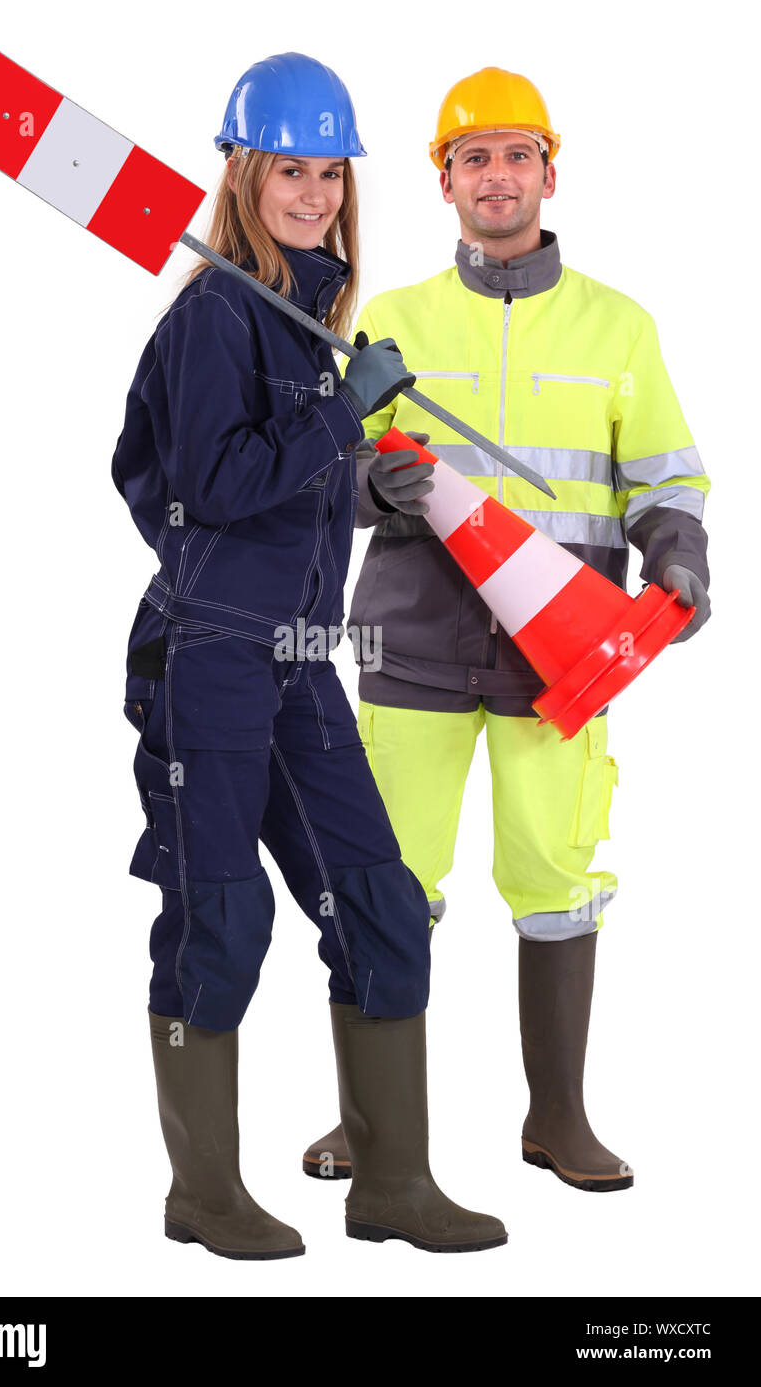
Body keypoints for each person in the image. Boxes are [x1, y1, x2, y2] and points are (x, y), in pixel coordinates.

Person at [111, 52, 508, 1258]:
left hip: (298, 655)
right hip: (210, 657)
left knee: (384, 905)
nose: (317, 191)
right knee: (219, 916)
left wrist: (367, 481)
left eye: (330, 171)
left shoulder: (306, 322)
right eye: (291, 167)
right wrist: (339, 419)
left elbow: (276, 488)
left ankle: (392, 1180)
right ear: (244, 174)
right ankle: (203, 1193)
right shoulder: (214, 312)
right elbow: (207, 484)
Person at [303, 66, 711, 1192]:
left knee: (555, 876)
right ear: (442, 183)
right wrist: (365, 487)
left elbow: (665, 479)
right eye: (472, 157)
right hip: (410, 640)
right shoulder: (388, 320)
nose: (496, 175)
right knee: (385, 880)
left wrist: (677, 557)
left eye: (514, 153)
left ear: (547, 169)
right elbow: (326, 467)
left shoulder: (617, 326)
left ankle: (556, 1120)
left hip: (560, 656)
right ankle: (370, 1124)